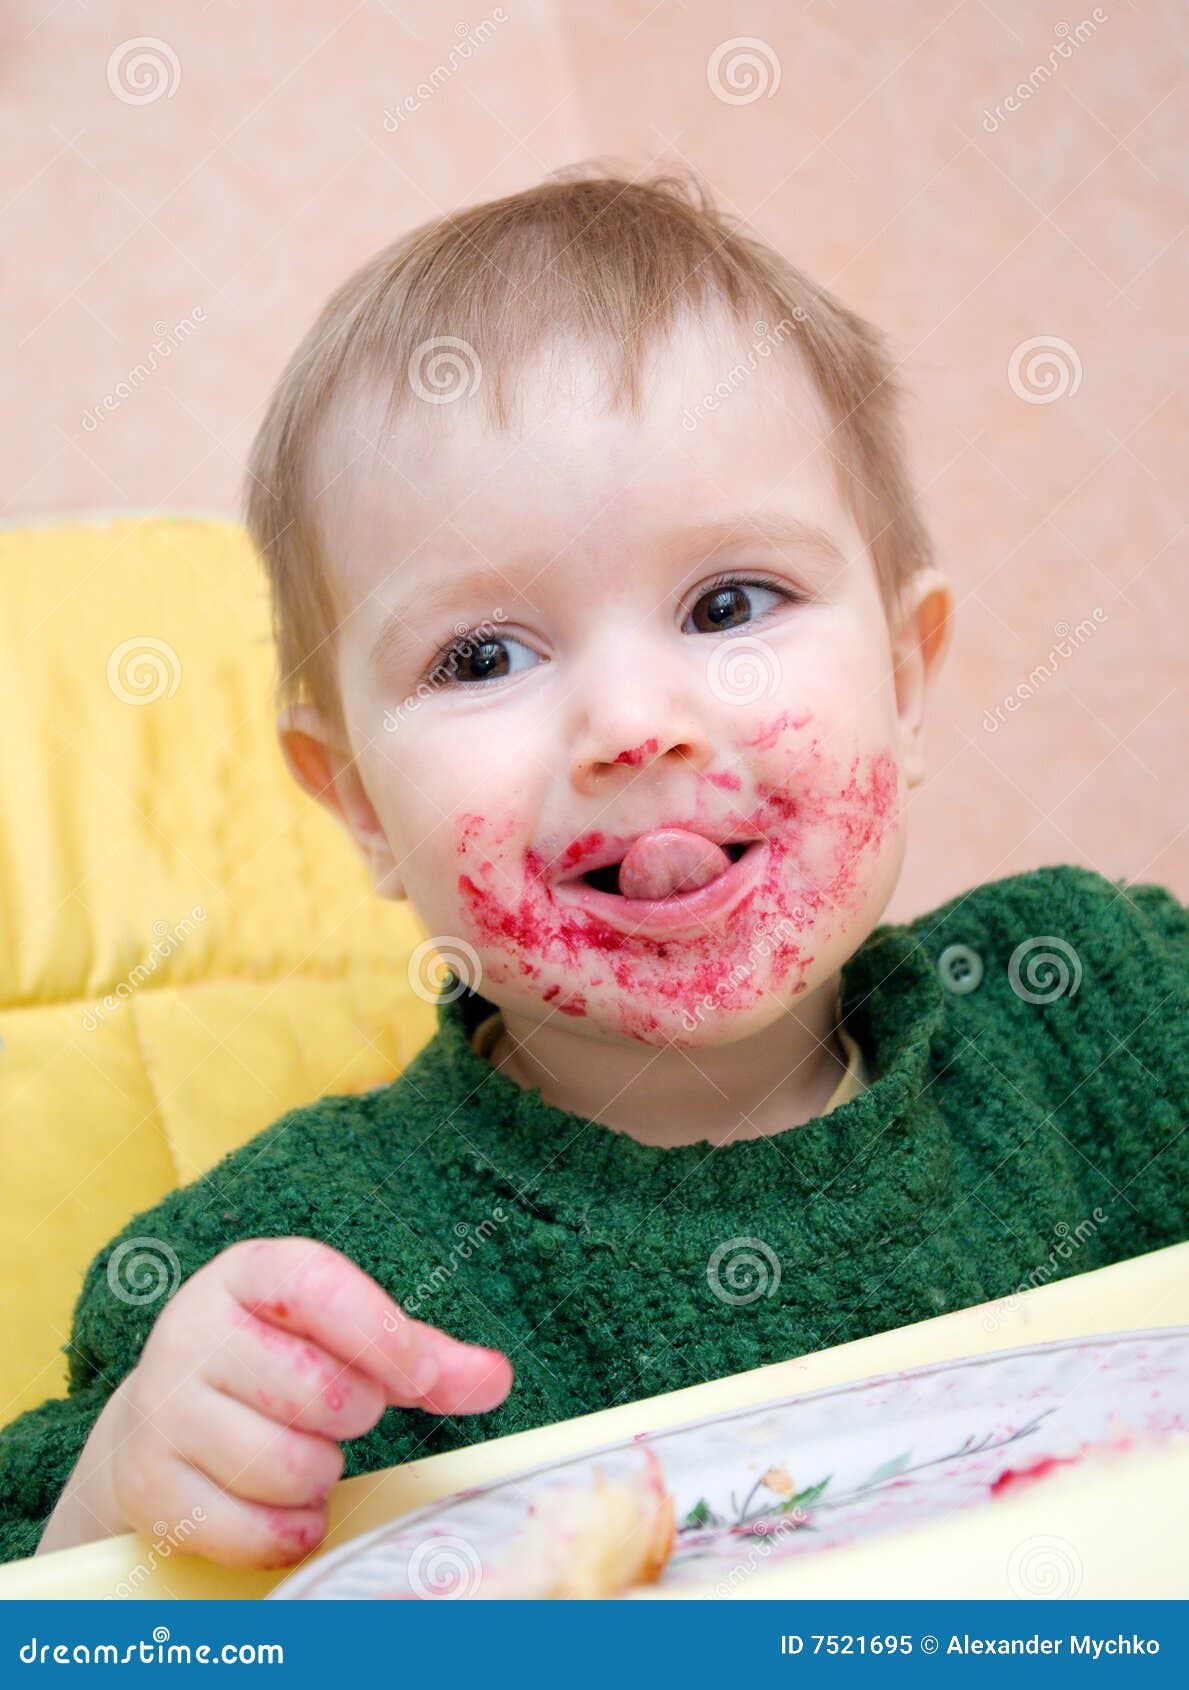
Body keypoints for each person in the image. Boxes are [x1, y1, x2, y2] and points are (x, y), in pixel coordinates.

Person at [2, 169, 1185, 1571]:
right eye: (482, 655)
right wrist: (132, 1498)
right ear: (358, 803)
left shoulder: (1113, 1012)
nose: (631, 725)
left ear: (906, 677)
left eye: (727, 602)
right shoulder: (306, 1297)